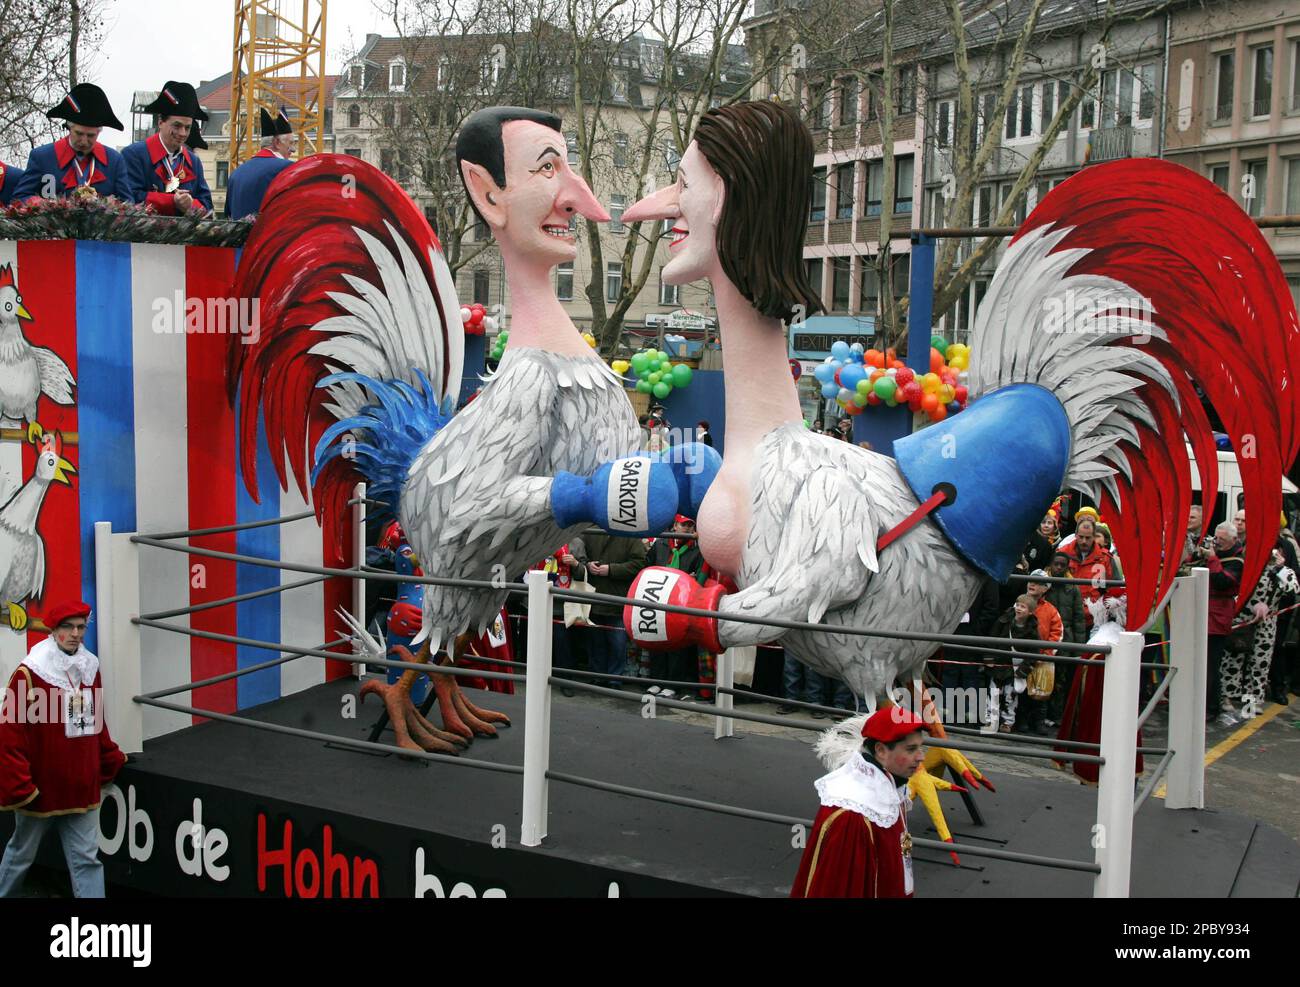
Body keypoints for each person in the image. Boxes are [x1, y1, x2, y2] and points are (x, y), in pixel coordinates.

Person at [0, 601, 127, 898]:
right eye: (67, 627)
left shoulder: (89, 667)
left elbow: (96, 722)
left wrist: (107, 756)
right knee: (21, 854)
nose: (75, 634)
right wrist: (20, 784)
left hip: (80, 784)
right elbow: (9, 733)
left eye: (80, 627)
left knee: (87, 860)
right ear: (53, 630)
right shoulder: (29, 672)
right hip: (42, 788)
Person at [790, 708, 925, 898]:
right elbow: (838, 889)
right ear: (881, 750)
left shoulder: (891, 789)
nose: (921, 757)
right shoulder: (853, 816)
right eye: (911, 749)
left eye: (920, 748)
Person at [11, 83, 128, 202]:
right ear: (69, 127)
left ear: (99, 132)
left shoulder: (115, 161)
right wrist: (44, 205)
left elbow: (128, 203)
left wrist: (110, 206)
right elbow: (20, 196)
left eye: (91, 135)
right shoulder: (41, 157)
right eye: (79, 133)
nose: (84, 141)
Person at [121, 81, 213, 215]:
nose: (182, 133)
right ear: (160, 122)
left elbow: (207, 207)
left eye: (187, 127)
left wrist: (191, 205)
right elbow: (129, 199)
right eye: (177, 126)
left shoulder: (194, 162)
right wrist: (172, 201)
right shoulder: (134, 155)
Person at [572, 532, 647, 687]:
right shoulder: (591, 531)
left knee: (617, 644)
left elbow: (639, 564)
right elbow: (580, 558)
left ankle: (614, 679)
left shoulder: (631, 535)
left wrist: (611, 569)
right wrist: (588, 565)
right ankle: (598, 676)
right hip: (594, 597)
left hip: (617, 600)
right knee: (596, 643)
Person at [645, 515, 704, 699]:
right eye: (684, 525)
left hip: (680, 602)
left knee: (677, 644)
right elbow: (647, 565)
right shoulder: (661, 544)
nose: (687, 528)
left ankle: (673, 684)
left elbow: (699, 577)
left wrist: (692, 580)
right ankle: (657, 680)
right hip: (657, 598)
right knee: (656, 640)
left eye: (690, 525)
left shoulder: (697, 550)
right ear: (675, 526)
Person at [982, 594, 1041, 734]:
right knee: (993, 693)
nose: (1019, 608)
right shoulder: (1003, 621)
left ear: (1030, 612)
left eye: (1023, 607)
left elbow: (1033, 652)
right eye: (1018, 605)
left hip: (1016, 668)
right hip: (999, 664)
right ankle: (990, 720)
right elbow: (992, 638)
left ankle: (1007, 722)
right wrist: (989, 658)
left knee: (1011, 696)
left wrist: (1023, 670)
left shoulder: (1032, 630)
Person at [1204, 520, 1244, 724]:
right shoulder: (1217, 554)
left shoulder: (1237, 561)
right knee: (1198, 663)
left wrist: (1211, 559)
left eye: (1222, 539)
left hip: (1217, 618)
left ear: (1233, 540)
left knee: (1211, 665)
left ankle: (1212, 707)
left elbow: (1222, 582)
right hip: (1203, 613)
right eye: (1216, 538)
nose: (1217, 542)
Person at [225, 106, 296, 220]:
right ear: (277, 143)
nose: (293, 150)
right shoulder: (287, 168)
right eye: (290, 143)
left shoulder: (236, 173)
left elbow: (228, 215)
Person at [1042, 550, 1086, 727]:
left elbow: (1079, 619)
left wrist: (1079, 647)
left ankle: (1057, 715)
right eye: (1056, 564)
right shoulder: (1044, 585)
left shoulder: (1072, 588)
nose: (1059, 568)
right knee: (1044, 676)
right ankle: (1040, 716)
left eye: (1062, 565)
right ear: (1051, 565)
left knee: (1061, 680)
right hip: (1046, 636)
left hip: (1066, 638)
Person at [1020, 570, 1063, 734]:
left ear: (1046, 588)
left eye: (1038, 582)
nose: (1032, 584)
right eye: (1030, 580)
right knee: (1022, 690)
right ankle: (1022, 720)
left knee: (1042, 692)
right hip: (1023, 657)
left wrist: (1046, 654)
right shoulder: (1019, 605)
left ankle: (1039, 722)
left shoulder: (1051, 610)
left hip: (1043, 658)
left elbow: (1057, 633)